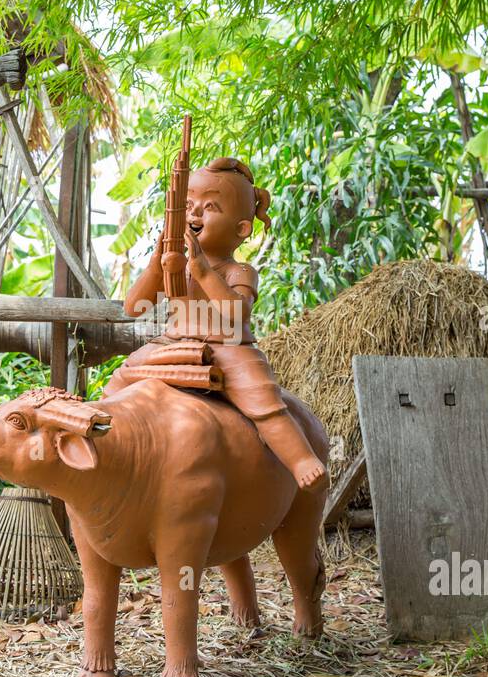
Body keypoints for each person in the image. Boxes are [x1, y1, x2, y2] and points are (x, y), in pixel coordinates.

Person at [105, 156, 328, 491]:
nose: (195, 213)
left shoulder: (239, 271)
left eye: (210, 207)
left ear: (241, 229)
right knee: (119, 383)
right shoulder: (175, 264)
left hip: (227, 347)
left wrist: (202, 270)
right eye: (189, 205)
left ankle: (300, 459)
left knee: (262, 399)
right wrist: (155, 265)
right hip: (172, 344)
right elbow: (134, 307)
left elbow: (237, 314)